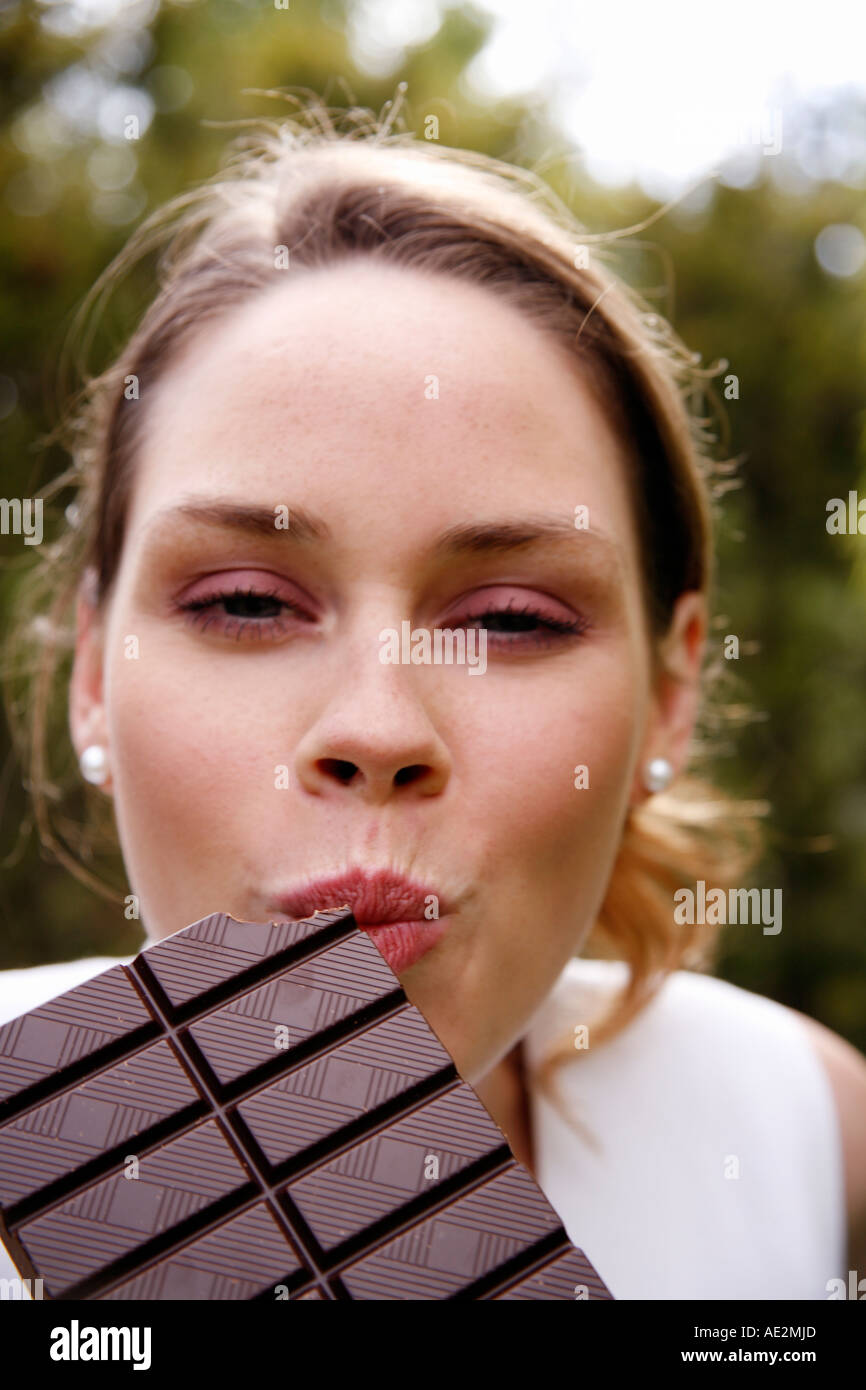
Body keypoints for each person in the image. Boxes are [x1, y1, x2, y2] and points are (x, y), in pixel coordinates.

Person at [2, 96, 864, 1300]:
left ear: (669, 695)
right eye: (247, 602)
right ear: (95, 675)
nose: (375, 727)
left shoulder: (804, 1133)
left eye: (509, 619)